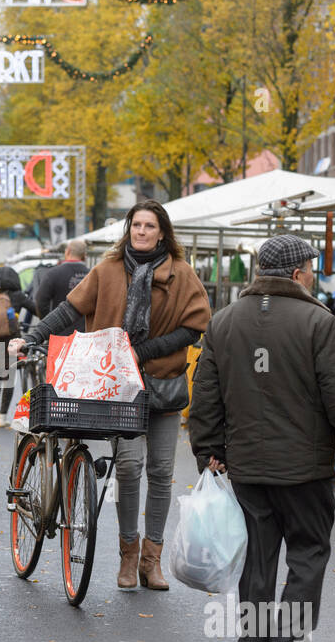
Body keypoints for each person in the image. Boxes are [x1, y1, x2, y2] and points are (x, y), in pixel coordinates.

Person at [188, 233, 335, 642]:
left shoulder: (224, 321)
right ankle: (290, 635)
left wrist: (208, 449)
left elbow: (206, 394)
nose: (313, 277)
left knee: (258, 555)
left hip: (246, 464)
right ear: (296, 273)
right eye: (311, 269)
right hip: (303, 467)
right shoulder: (319, 322)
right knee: (308, 548)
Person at [13, 199, 211, 590]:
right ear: (128, 230)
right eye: (136, 225)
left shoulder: (182, 273)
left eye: (149, 226)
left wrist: (143, 351)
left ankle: (151, 561)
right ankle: (128, 555)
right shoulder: (108, 270)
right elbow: (69, 310)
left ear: (162, 233)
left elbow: (193, 328)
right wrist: (32, 336)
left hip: (162, 385)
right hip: (118, 388)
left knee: (161, 473)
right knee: (129, 468)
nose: (142, 231)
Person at [0, 265, 37, 425]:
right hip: (11, 342)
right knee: (9, 378)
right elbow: (35, 309)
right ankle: (2, 417)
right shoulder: (17, 296)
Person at [33, 239, 90, 323]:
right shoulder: (91, 275)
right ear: (84, 255)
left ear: (67, 252)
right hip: (85, 329)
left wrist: (49, 323)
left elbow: (40, 301)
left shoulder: (53, 273)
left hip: (61, 328)